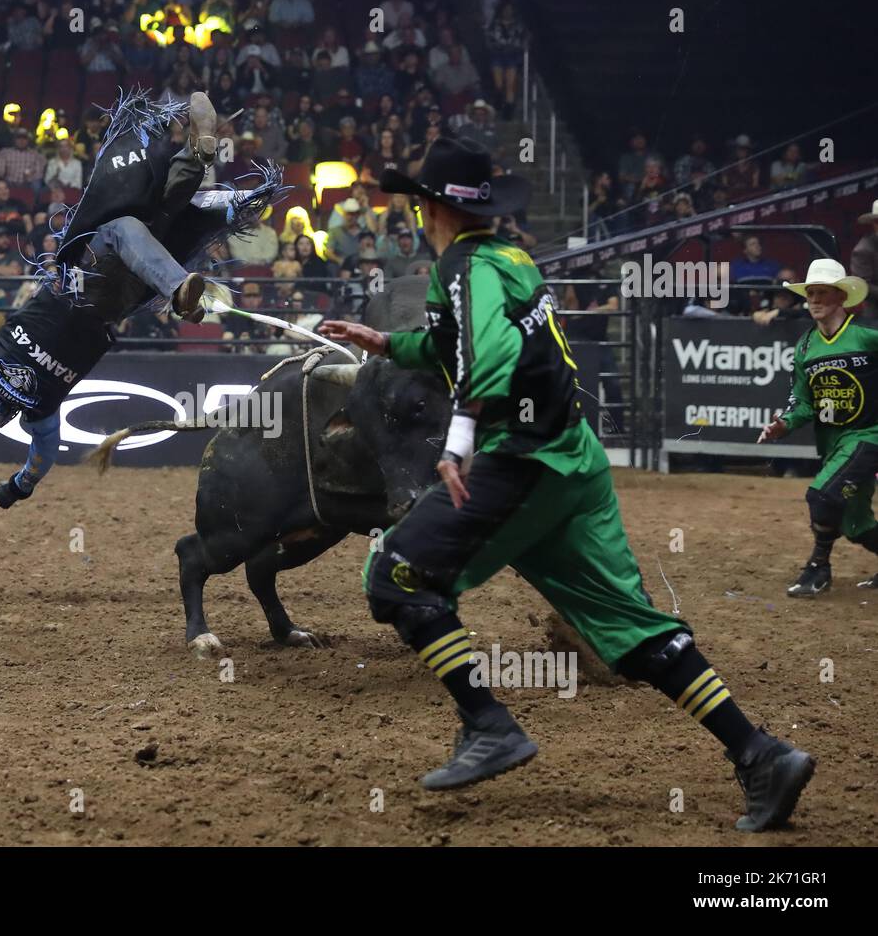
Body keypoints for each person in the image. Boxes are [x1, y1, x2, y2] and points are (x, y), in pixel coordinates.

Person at [318, 137, 815, 832]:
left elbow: (485, 353)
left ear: (429, 208)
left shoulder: (461, 265)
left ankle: (489, 724)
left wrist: (458, 439)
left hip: (521, 461)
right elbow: (461, 343)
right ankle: (762, 754)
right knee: (628, 628)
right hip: (573, 458)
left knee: (396, 572)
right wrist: (386, 343)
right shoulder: (509, 258)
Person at [0, 90, 282, 507]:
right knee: (129, 224)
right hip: (88, 276)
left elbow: (43, 456)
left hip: (119, 303)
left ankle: (194, 162)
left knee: (162, 215)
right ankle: (181, 266)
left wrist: (18, 486)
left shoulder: (40, 409)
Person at [758, 259, 877, 595]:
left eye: (823, 293)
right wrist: (784, 424)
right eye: (810, 294)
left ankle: (818, 569)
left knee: (822, 496)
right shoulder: (805, 348)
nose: (815, 300)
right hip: (835, 443)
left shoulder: (867, 335)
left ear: (841, 296)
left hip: (869, 436)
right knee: (856, 524)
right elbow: (803, 400)